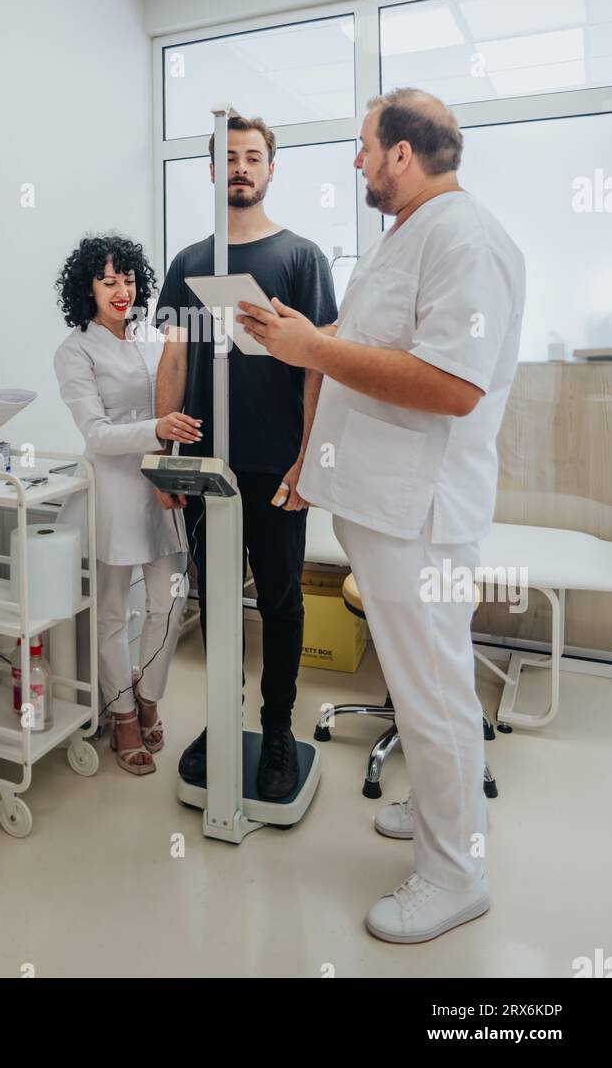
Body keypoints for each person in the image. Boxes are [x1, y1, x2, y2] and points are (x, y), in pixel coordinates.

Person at [236, 88, 525, 943]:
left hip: (420, 514)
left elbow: (452, 386)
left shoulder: (463, 238)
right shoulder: (406, 239)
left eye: (363, 147)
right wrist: (301, 334)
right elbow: (362, 347)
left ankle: (452, 874)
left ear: (400, 152)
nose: (357, 162)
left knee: (432, 694)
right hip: (384, 504)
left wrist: (312, 347)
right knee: (419, 684)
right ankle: (452, 814)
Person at [155, 112, 337, 799]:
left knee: (283, 602)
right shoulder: (189, 262)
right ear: (209, 170)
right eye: (227, 157)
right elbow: (172, 354)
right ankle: (222, 723)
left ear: (269, 169)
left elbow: (319, 366)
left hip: (274, 464)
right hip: (205, 462)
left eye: (251, 157)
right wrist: (165, 447)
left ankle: (278, 730)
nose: (239, 167)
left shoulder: (300, 258)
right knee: (215, 597)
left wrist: (308, 460)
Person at [54, 235, 198, 775]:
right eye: (108, 281)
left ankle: (150, 695)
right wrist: (157, 428)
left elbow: (178, 388)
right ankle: (122, 715)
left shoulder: (155, 338)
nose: (122, 291)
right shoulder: (75, 351)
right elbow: (95, 431)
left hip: (161, 484)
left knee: (169, 602)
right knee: (112, 612)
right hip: (110, 490)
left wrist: (167, 440)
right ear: (86, 288)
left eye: (129, 280)